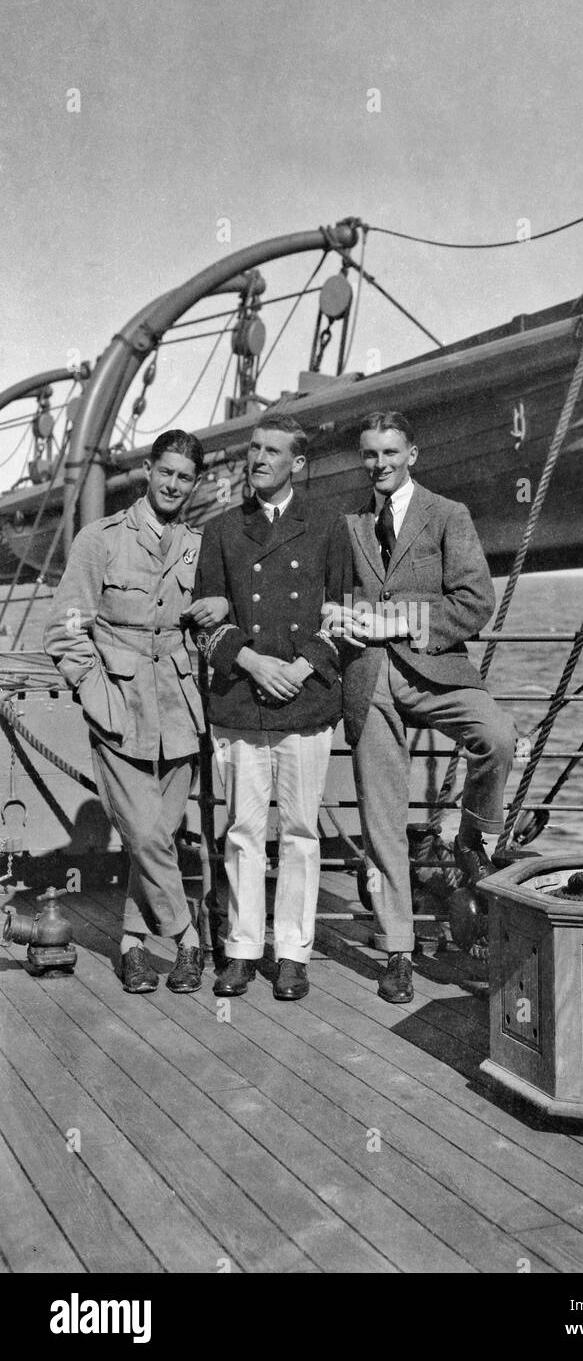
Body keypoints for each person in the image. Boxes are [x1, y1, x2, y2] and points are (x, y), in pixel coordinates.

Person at [324, 411, 516, 1004]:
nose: (379, 464)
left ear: (413, 455)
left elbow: (476, 601)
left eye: (390, 453)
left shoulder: (447, 515)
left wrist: (400, 621)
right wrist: (334, 617)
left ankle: (473, 835)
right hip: (369, 678)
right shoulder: (349, 524)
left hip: (432, 668)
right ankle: (398, 951)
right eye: (370, 455)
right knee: (381, 820)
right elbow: (330, 597)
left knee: (498, 734)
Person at [44, 430, 227, 995]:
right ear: (148, 470)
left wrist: (219, 607)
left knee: (159, 840)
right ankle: (187, 937)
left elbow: (221, 615)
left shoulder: (200, 545)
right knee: (147, 834)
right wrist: (95, 693)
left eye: (185, 477)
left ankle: (129, 947)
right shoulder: (100, 540)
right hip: (119, 709)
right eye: (165, 472)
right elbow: (67, 628)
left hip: (179, 711)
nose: (173, 485)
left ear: (195, 483)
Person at [192, 414, 351, 1001]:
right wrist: (256, 664)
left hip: (304, 701)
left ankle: (292, 953)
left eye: (272, 451)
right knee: (243, 831)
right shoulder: (222, 531)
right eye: (254, 449)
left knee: (303, 832)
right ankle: (240, 949)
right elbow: (206, 623)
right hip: (241, 700)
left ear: (298, 464)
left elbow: (345, 609)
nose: (258, 459)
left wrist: (301, 669)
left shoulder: (327, 527)